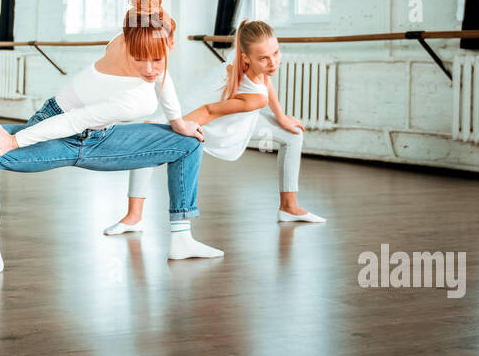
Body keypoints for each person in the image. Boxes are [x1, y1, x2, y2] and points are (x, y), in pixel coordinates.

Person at [0, 0, 217, 279]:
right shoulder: (132, 77)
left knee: (189, 141)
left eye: (157, 58)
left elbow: (164, 77)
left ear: (171, 45)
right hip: (57, 128)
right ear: (127, 45)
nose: (149, 69)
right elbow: (74, 120)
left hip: (103, 140)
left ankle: (182, 240)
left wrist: (178, 122)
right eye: (139, 59)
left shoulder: (137, 48)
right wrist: (14, 140)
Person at [106, 19, 326, 236]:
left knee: (292, 134)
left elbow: (265, 82)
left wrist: (281, 116)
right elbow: (208, 111)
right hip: (205, 117)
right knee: (152, 137)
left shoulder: (251, 64)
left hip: (237, 118)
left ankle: (289, 208)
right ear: (245, 58)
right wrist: (169, 124)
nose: (273, 63)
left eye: (276, 53)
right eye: (264, 58)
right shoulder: (250, 91)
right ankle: (133, 217)